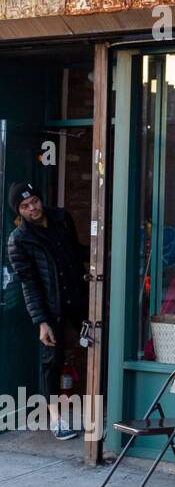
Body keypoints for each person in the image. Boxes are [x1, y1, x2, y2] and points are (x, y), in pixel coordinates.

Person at [6, 182, 89, 440]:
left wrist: (106, 254)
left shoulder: (62, 218)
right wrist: (41, 321)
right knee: (50, 360)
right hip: (50, 306)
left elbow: (76, 251)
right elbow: (28, 284)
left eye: (35, 201)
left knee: (98, 344)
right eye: (25, 206)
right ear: (18, 211)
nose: (33, 208)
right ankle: (56, 419)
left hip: (78, 297)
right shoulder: (19, 239)